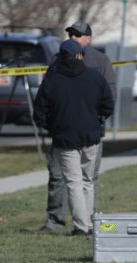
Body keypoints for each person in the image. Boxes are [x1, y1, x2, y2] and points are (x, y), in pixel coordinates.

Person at [33, 39, 114, 236]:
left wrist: (52, 127)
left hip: (64, 138)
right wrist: (98, 121)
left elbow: (39, 112)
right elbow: (108, 105)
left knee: (74, 182)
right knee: (87, 181)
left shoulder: (52, 80)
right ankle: (87, 223)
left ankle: (82, 226)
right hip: (91, 136)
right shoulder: (94, 77)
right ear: (80, 56)